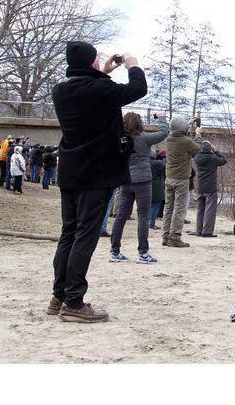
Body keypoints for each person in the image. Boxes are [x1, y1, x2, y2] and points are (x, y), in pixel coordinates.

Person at [47, 41, 147, 323]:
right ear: (91, 62)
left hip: (70, 171)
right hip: (96, 173)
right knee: (85, 235)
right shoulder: (100, 89)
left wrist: (104, 71)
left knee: (69, 233)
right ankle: (74, 303)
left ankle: (59, 296)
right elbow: (137, 89)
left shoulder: (61, 89)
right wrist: (133, 65)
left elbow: (91, 92)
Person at [108, 112, 168, 264]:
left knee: (121, 216)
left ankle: (114, 251)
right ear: (138, 124)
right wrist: (161, 118)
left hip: (126, 180)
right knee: (143, 216)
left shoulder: (120, 140)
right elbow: (163, 132)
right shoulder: (144, 138)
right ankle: (143, 253)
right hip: (142, 181)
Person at [160, 115, 202, 248]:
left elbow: (180, 134)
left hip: (169, 179)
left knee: (168, 208)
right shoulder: (186, 142)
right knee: (179, 209)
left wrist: (187, 124)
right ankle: (175, 237)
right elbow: (197, 148)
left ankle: (166, 236)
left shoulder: (169, 139)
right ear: (183, 129)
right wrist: (198, 134)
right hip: (181, 180)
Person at [193, 141, 226, 238]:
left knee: (200, 210)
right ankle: (206, 232)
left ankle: (199, 231)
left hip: (200, 187)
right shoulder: (213, 158)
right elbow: (224, 160)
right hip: (210, 187)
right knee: (210, 210)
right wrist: (216, 151)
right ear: (210, 148)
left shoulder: (197, 157)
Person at [148, 152, 165, 229]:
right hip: (157, 187)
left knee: (146, 206)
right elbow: (165, 164)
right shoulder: (158, 164)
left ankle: (146, 223)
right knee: (155, 206)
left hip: (146, 185)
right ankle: (151, 224)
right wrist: (164, 157)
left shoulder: (144, 162)